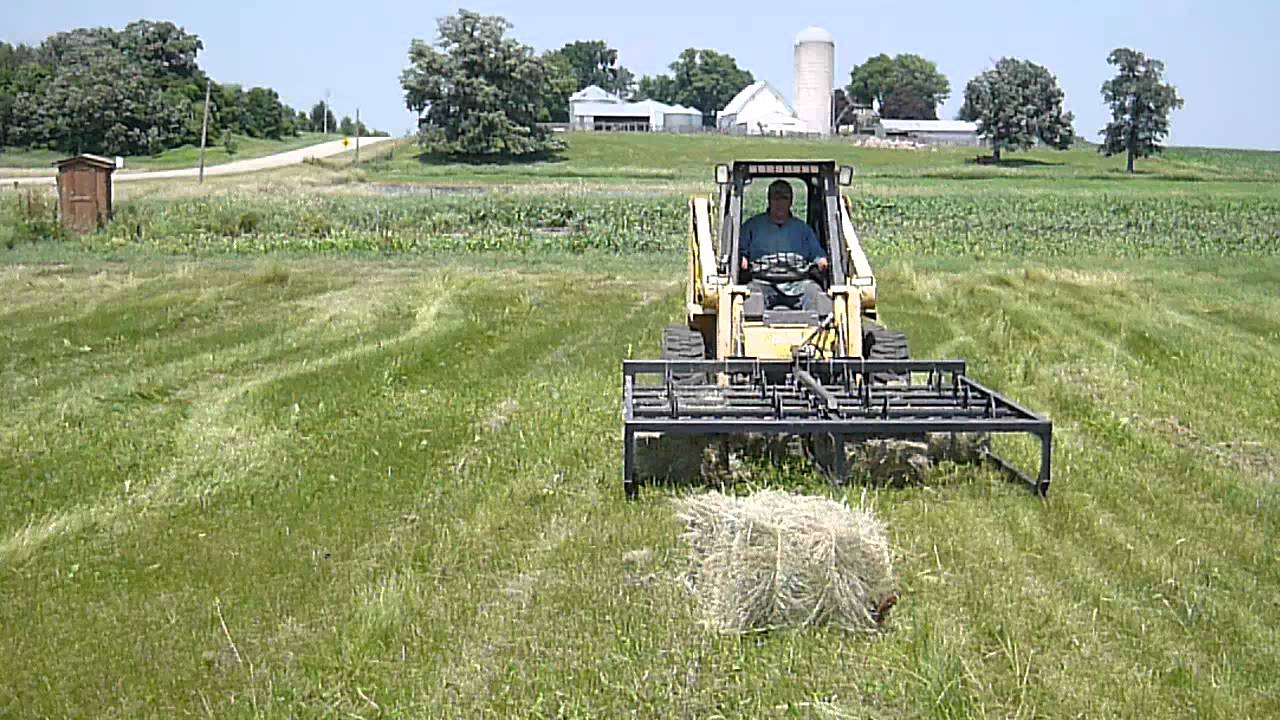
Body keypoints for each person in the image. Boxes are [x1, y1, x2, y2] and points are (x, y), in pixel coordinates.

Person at [739, 179, 829, 311]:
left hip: (798, 283)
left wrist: (821, 261)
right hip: (762, 283)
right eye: (776, 198)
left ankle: (819, 329)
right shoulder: (752, 226)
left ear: (791, 201)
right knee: (751, 298)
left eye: (784, 198)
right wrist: (743, 259)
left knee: (816, 294)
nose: (780, 203)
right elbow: (741, 252)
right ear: (769, 200)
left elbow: (817, 254)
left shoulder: (803, 229)